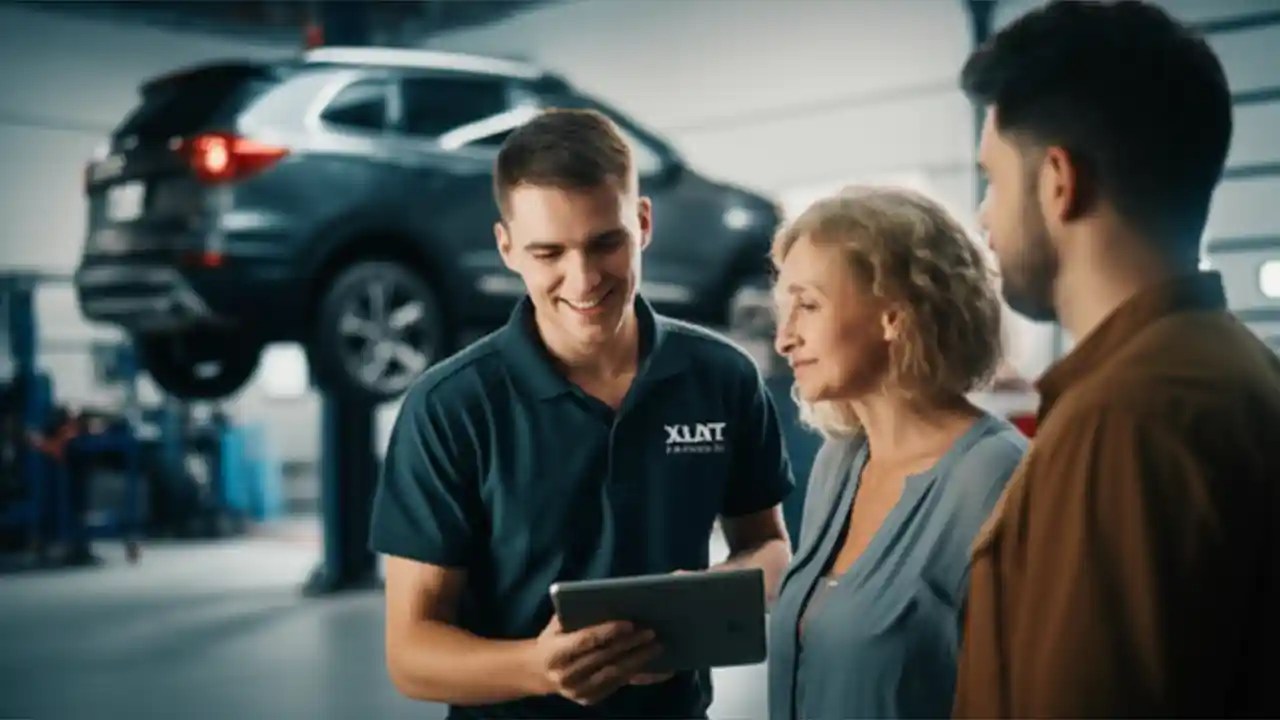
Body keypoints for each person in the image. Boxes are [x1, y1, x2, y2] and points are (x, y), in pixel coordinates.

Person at [369, 108, 795, 719]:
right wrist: (537, 669)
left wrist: (707, 597)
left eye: (606, 242)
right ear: (507, 247)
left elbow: (769, 546)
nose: (585, 278)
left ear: (642, 223)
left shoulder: (721, 378)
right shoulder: (450, 409)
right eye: (549, 253)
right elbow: (412, 652)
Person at [953, 1, 1280, 717]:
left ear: (1059, 182)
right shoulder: (1236, 372)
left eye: (994, 181)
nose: (982, 217)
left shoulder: (1124, 420)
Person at [765, 186, 1027, 720]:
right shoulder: (839, 465)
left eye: (808, 306)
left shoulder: (998, 479)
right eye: (784, 309)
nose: (784, 339)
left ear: (894, 316)